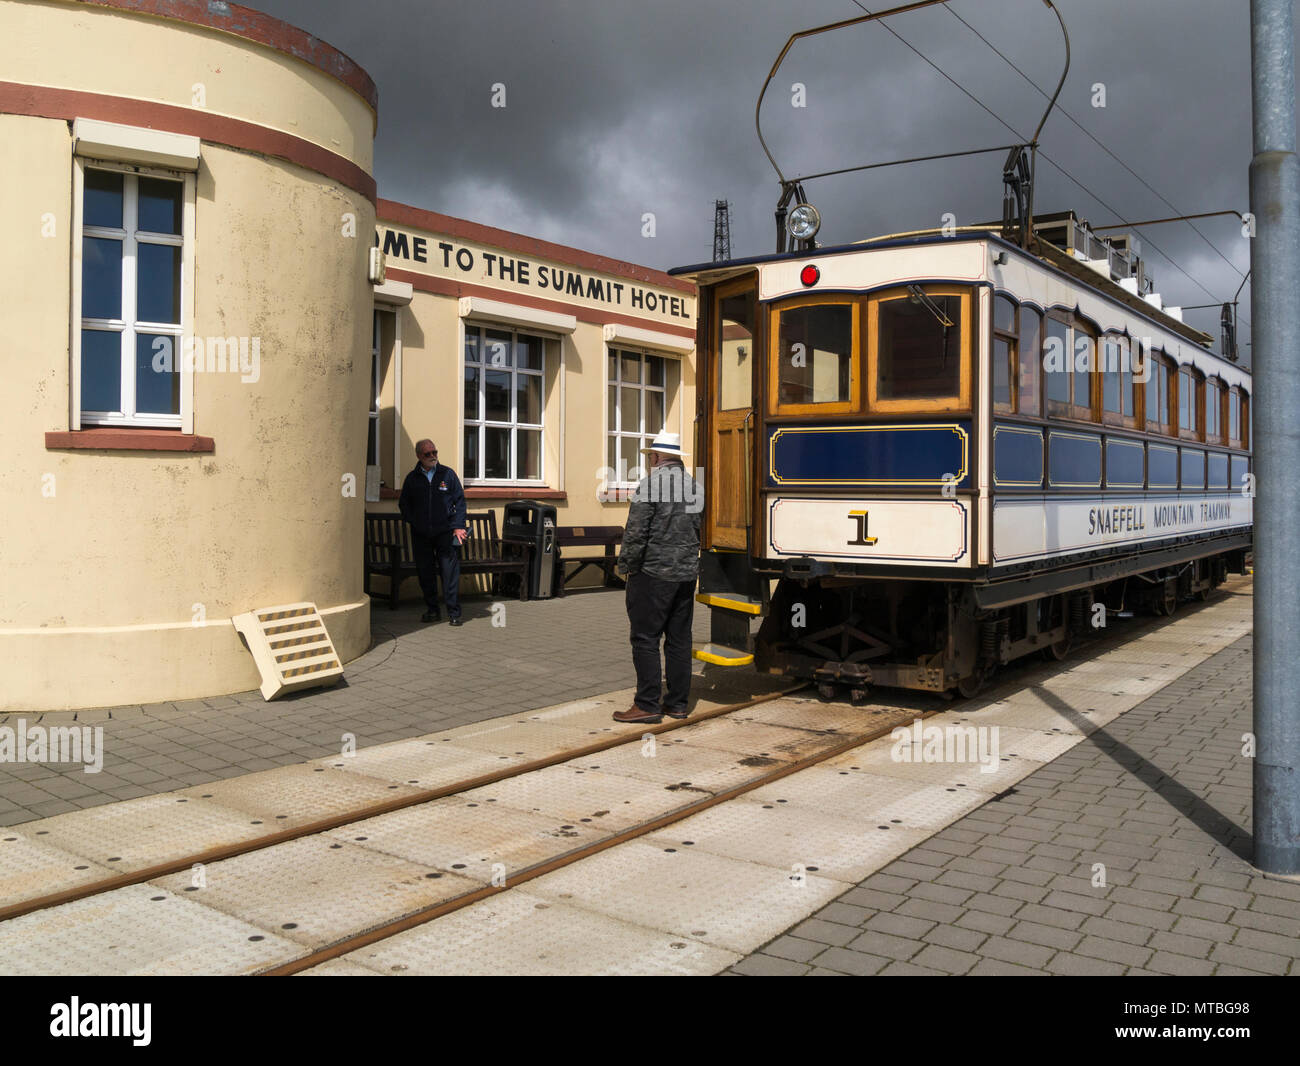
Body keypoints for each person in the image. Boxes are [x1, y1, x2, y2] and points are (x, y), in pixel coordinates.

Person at [613, 431, 703, 724]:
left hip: (653, 573)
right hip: (686, 573)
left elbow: (636, 533)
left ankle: (647, 703)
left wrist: (625, 566)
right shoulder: (695, 486)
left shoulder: (650, 485)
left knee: (645, 638)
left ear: (656, 457)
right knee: (679, 639)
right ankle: (677, 704)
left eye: (649, 456)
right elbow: (699, 529)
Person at [398, 439, 469, 626]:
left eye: (435, 452)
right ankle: (432, 610)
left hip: (445, 533)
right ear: (419, 456)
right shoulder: (412, 478)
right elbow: (404, 504)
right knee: (425, 573)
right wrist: (414, 521)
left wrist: (459, 525)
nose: (433, 457)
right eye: (428, 454)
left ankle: (454, 613)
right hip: (421, 535)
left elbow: (460, 501)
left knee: (449, 573)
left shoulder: (448, 474)